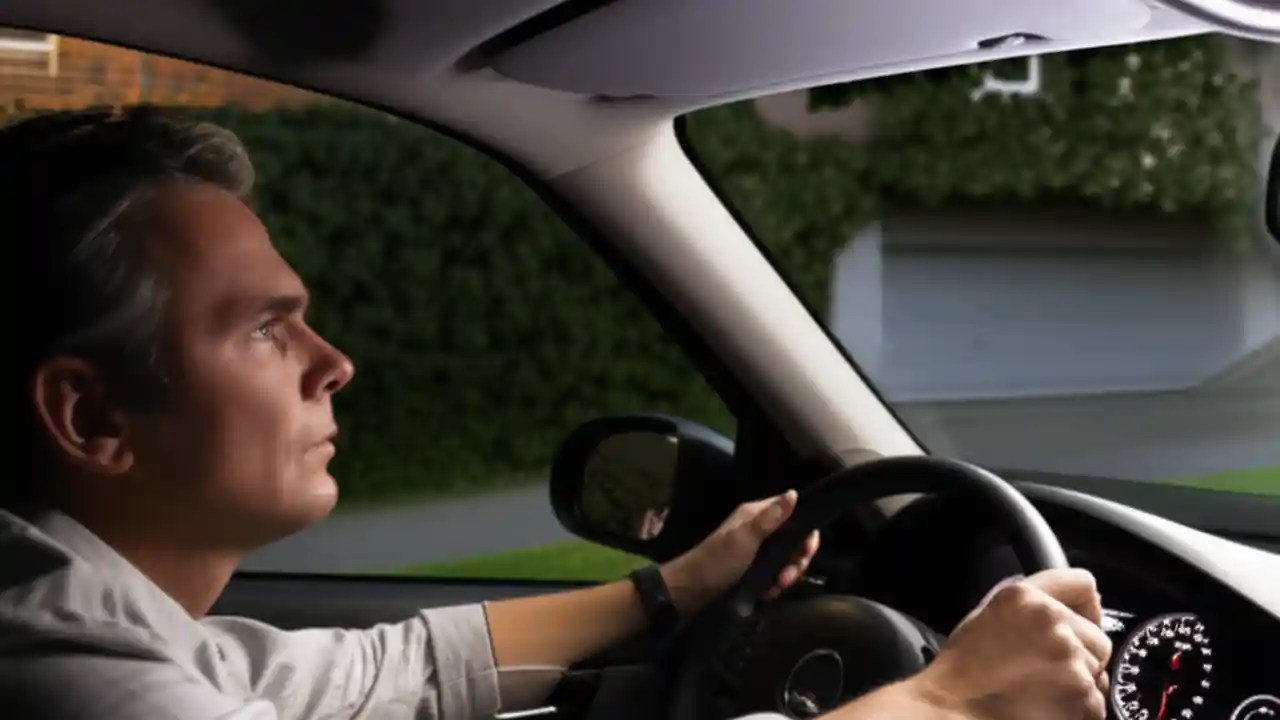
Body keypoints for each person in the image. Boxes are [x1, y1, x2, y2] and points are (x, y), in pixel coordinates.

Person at [0, 107, 1112, 720]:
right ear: (92, 418)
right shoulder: (65, 674)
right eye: (262, 328)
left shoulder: (120, 625)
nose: (332, 363)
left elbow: (399, 671)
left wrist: (673, 588)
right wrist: (950, 701)